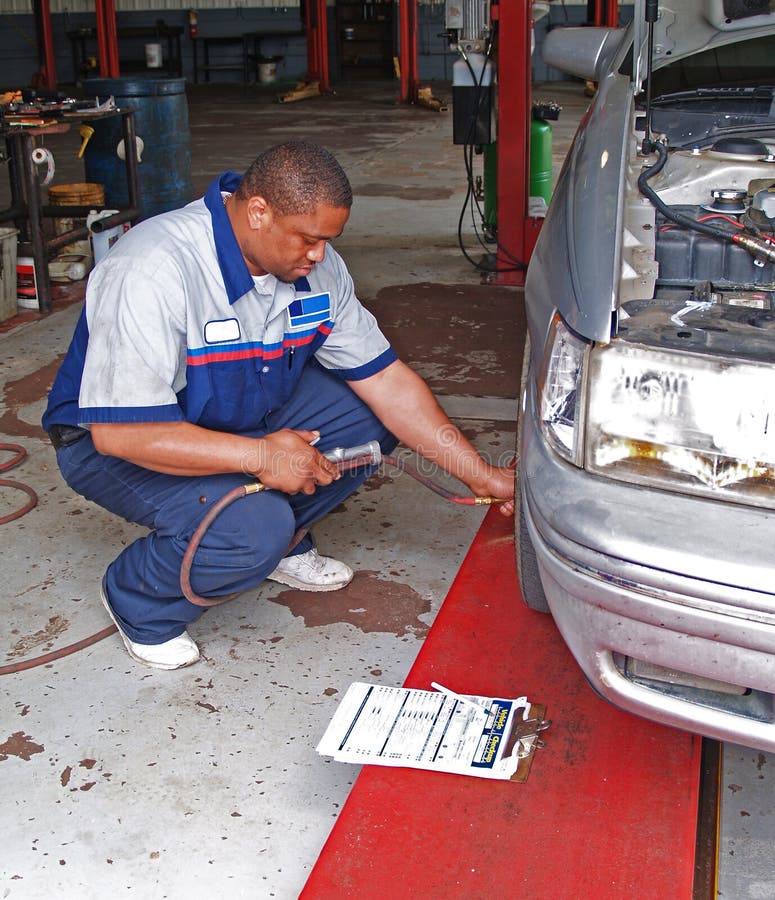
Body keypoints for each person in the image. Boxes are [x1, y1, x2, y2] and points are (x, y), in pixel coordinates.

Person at [42, 140, 514, 670]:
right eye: (308, 239)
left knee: (367, 417)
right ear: (259, 212)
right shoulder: (153, 268)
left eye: (327, 240)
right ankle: (139, 598)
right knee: (250, 531)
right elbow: (120, 434)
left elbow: (388, 382)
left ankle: (281, 537)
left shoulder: (317, 270)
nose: (319, 256)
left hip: (232, 408)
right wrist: (263, 456)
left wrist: (480, 475)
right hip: (110, 442)